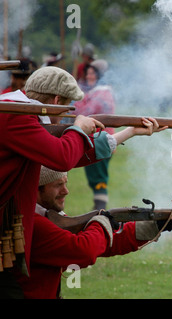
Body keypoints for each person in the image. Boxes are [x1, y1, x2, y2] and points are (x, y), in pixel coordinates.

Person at [0, 66, 163, 298]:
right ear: (57, 100)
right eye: (65, 106)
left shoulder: (16, 112)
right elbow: (61, 157)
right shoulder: (17, 116)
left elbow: (66, 154)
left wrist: (129, 132)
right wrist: (77, 128)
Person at [15, 166, 172, 299]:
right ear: (37, 188)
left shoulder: (45, 215)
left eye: (65, 183)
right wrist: (101, 222)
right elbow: (83, 250)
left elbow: (103, 242)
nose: (66, 191)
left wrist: (154, 226)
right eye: (58, 185)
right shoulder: (33, 222)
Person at [73, 59, 116, 210]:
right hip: (94, 138)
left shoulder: (102, 92)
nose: (89, 76)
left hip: (100, 138)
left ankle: (99, 209)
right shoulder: (94, 91)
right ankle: (98, 208)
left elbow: (85, 112)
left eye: (92, 73)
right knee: (95, 175)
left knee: (98, 176)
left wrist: (75, 101)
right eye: (88, 73)